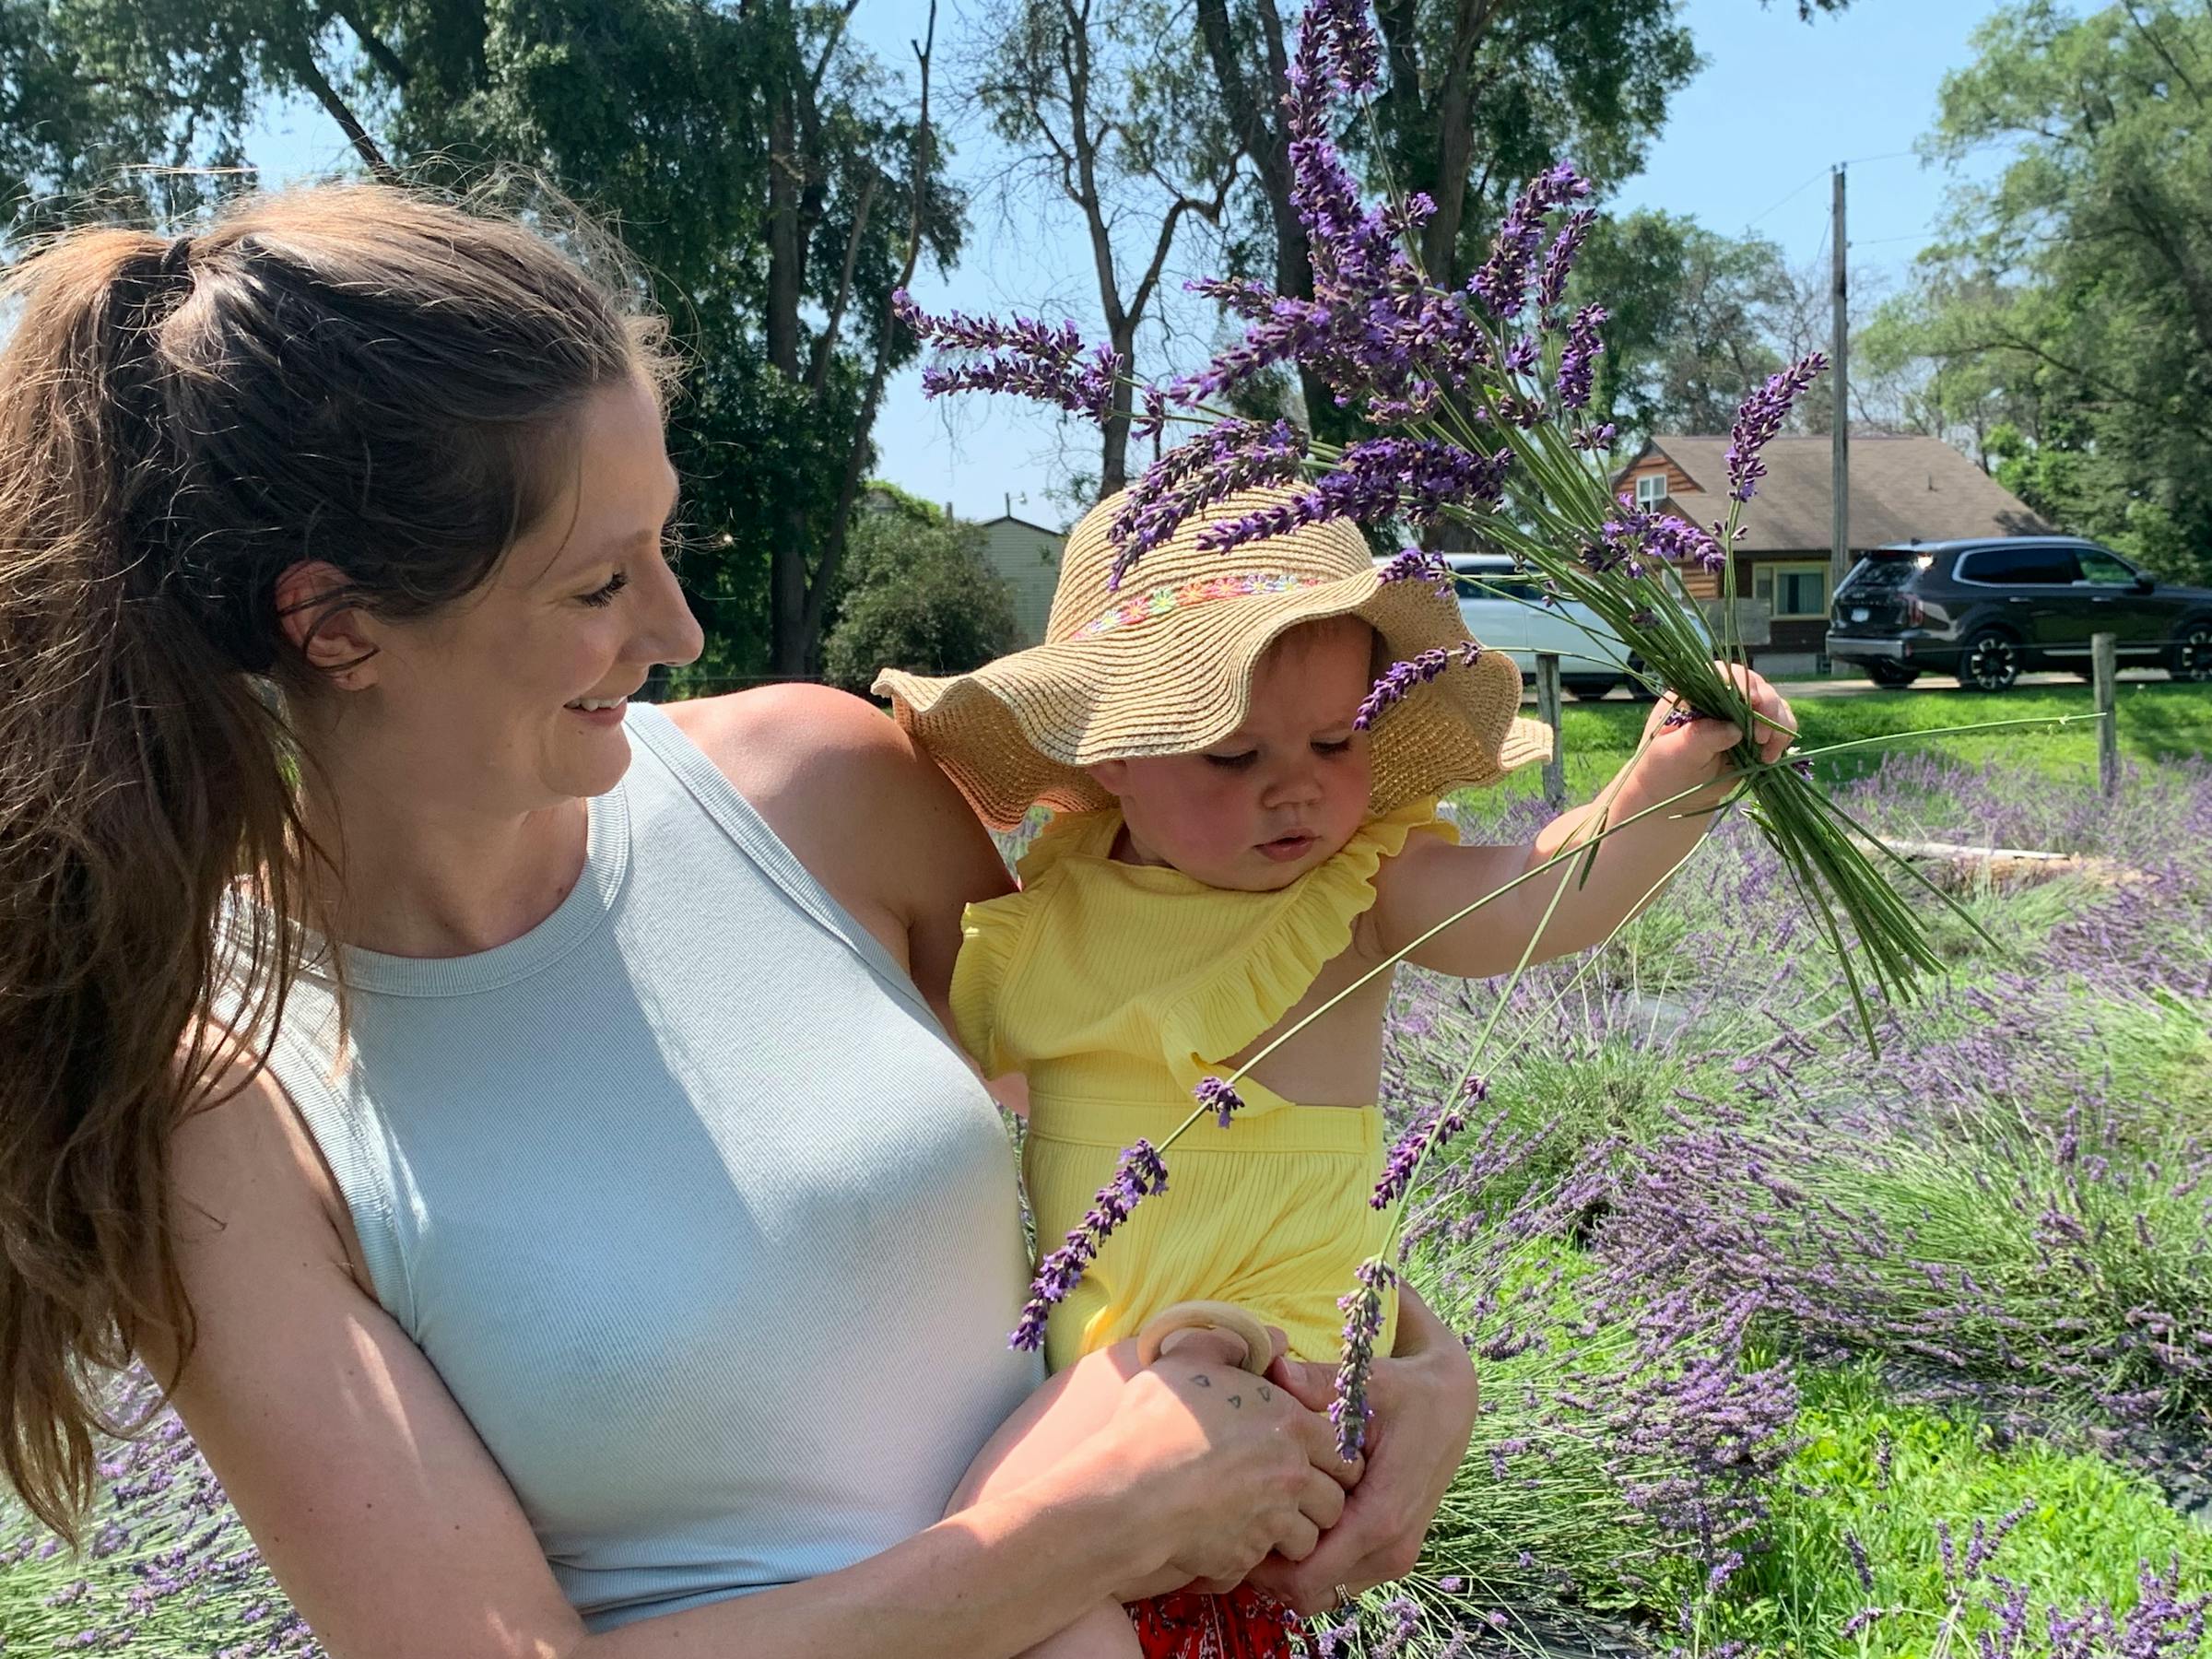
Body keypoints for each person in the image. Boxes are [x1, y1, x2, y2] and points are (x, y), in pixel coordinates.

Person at [0, 185, 1483, 1656]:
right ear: (335, 624)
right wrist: (1068, 1537)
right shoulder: (218, 1106)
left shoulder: (824, 791)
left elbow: (1165, 1128)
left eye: (664, 544)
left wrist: (1410, 1365)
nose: (678, 629)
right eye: (597, 581)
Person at [876, 494, 1797, 1658]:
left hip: (1276, 1389)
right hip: (1103, 1389)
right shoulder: (1056, 908)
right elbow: (956, 1093)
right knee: (1023, 1590)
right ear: (1109, 750)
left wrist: (1665, 790)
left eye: (1336, 741)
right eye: (1233, 753)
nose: (1297, 788)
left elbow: (1543, 898)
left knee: (1013, 1573)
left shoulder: (1361, 891)